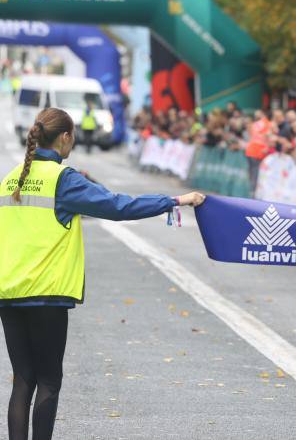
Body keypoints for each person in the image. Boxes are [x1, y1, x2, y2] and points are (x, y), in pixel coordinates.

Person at [0, 108, 205, 440]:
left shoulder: (10, 178)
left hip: (8, 292)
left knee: (23, 380)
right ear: (65, 137)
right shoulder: (62, 179)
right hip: (46, 293)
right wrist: (173, 200)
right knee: (49, 381)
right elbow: (117, 206)